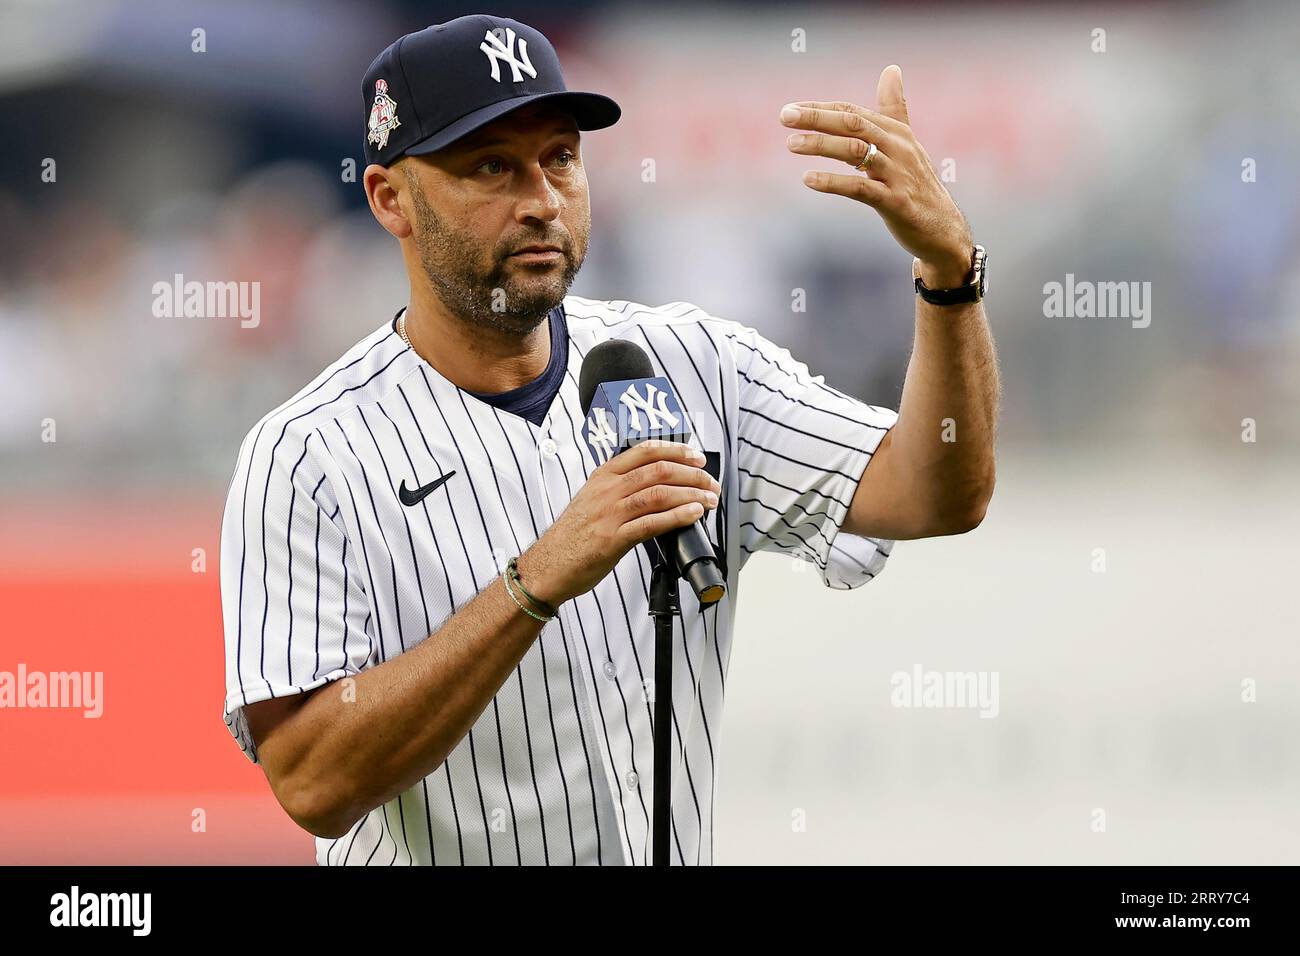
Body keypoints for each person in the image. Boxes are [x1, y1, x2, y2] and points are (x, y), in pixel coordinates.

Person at [220, 14, 998, 865]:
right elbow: (313, 785)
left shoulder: (696, 361)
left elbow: (937, 492)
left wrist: (949, 275)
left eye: (559, 157)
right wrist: (536, 580)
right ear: (389, 199)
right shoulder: (309, 454)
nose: (542, 200)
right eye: (491, 166)